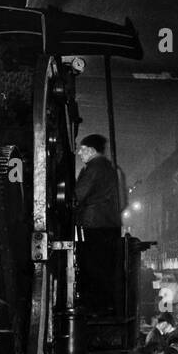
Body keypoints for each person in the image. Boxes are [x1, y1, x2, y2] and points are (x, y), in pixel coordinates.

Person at [74, 134, 122, 313]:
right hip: (109, 224)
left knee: (93, 267)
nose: (79, 153)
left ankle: (95, 307)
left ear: (92, 150)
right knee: (104, 267)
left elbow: (78, 195)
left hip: (95, 223)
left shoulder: (94, 168)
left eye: (83, 149)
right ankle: (105, 306)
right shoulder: (109, 167)